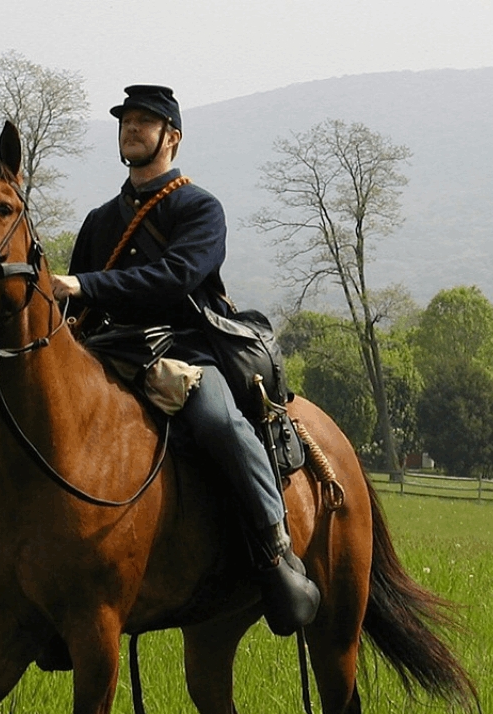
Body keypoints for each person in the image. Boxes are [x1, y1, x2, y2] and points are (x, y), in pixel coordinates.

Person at [51, 84, 319, 637]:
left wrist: (84, 284)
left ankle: (275, 551)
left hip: (181, 351)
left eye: (144, 122)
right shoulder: (100, 219)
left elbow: (174, 279)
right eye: (126, 120)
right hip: (107, 353)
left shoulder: (199, 208)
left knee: (221, 422)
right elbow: (76, 306)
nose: (131, 128)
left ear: (171, 137)